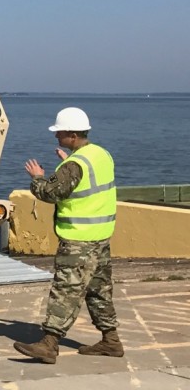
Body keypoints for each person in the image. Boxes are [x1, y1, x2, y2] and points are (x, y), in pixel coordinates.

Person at [13, 107, 122, 363]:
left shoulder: (75, 164)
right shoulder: (99, 154)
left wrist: (38, 178)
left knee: (66, 291)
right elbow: (83, 182)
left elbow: (50, 193)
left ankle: (49, 344)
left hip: (78, 241)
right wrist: (67, 163)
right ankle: (111, 340)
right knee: (99, 291)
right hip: (101, 236)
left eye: (59, 132)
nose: (56, 136)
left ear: (72, 135)